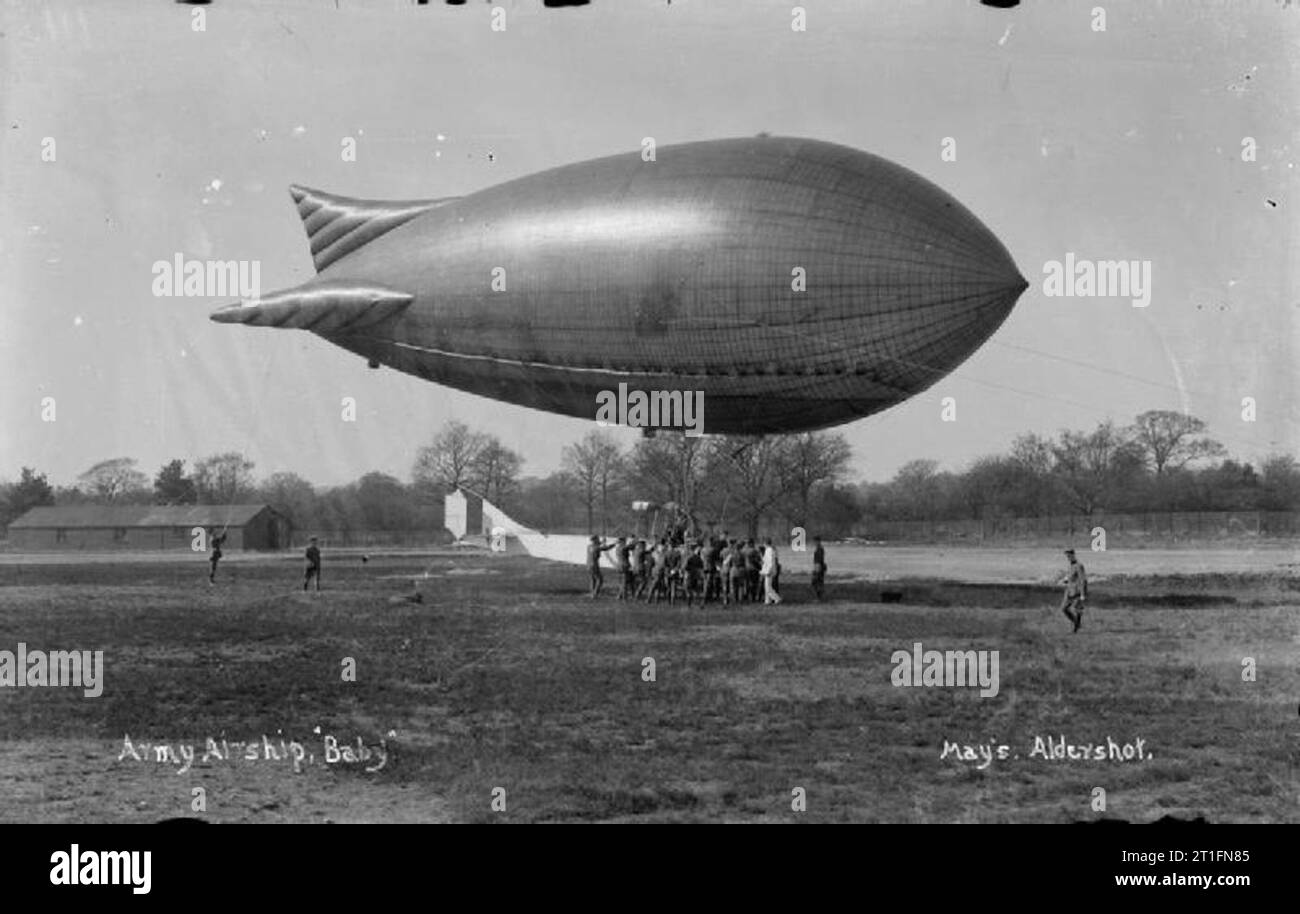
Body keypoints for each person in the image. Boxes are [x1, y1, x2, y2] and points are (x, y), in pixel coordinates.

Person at [1060, 548, 1088, 632]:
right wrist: (1066, 579)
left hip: (1077, 591)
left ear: (1073, 555)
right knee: (1064, 608)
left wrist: (1083, 594)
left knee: (1077, 609)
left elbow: (1082, 580)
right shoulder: (1070, 565)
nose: (1068, 557)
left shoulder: (1079, 565)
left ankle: (1075, 628)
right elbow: (1070, 576)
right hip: (1069, 590)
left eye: (1069, 555)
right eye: (1067, 555)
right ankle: (1076, 623)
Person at [761, 538, 783, 604]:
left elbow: (770, 562)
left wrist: (768, 570)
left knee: (768, 587)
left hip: (769, 570)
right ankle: (767, 600)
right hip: (769, 570)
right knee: (767, 586)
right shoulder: (769, 550)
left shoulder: (769, 550)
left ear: (766, 543)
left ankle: (777, 598)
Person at [684, 543, 705, 607]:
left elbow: (686, 567)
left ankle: (689, 603)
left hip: (690, 575)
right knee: (697, 590)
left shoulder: (689, 558)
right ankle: (699, 603)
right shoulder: (699, 558)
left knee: (689, 589)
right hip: (697, 575)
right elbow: (702, 567)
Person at [811, 536, 827, 601]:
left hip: (819, 567)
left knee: (816, 583)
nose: (814, 543)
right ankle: (820, 597)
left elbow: (819, 560)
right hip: (818, 567)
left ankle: (819, 597)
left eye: (815, 541)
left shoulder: (820, 549)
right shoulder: (819, 548)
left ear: (818, 541)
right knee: (817, 583)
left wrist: (817, 569)